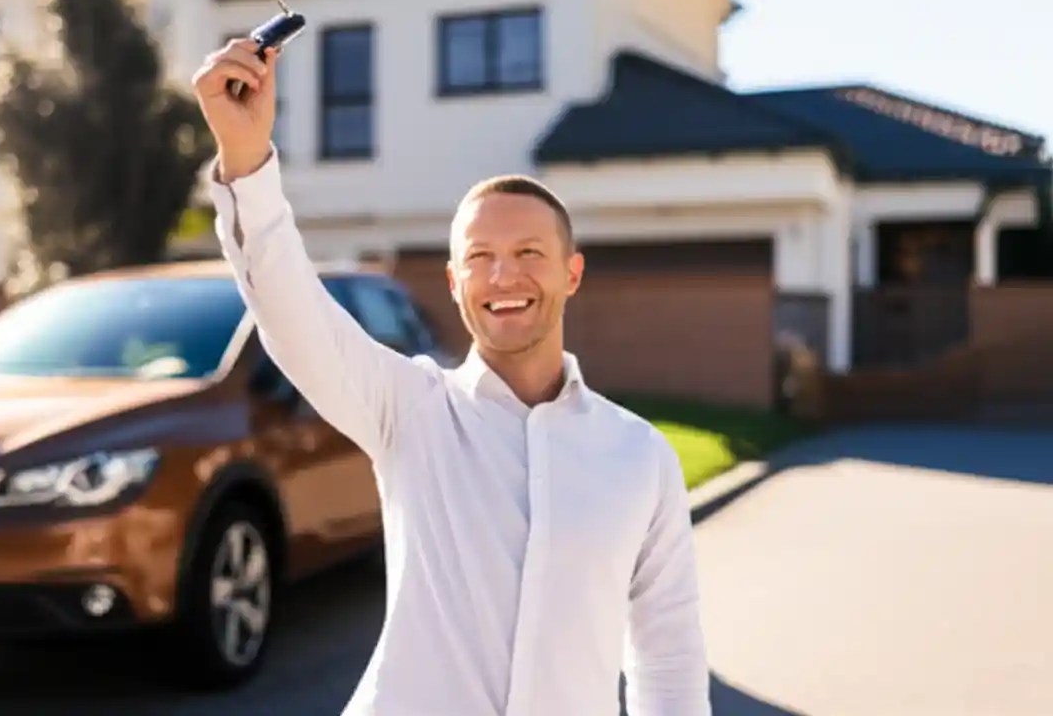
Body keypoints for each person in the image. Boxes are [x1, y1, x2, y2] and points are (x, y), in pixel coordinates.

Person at [192, 39, 711, 716]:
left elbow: (668, 659)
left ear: (571, 273)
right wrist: (246, 158)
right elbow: (292, 313)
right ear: (454, 281)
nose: (504, 277)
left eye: (529, 252)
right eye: (481, 257)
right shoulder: (409, 408)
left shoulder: (640, 456)